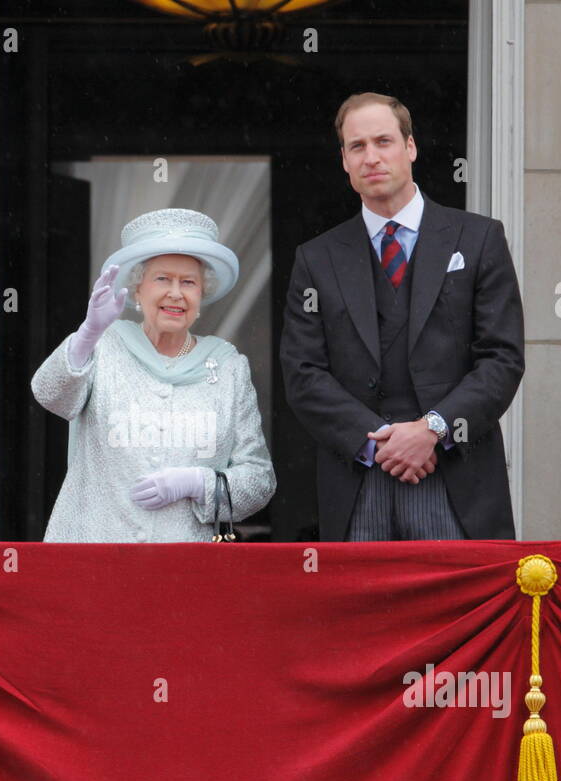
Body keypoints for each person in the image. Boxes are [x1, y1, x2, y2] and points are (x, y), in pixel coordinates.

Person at [280, 93, 525, 541]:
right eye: (357, 146)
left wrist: (432, 429)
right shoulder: (316, 258)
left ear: (410, 147)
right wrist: (379, 441)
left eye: (383, 141)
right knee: (362, 611)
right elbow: (303, 373)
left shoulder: (479, 239)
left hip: (456, 478)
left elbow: (501, 359)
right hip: (359, 479)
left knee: (462, 610)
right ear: (344, 161)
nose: (371, 157)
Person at [31, 208, 275, 542]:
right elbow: (49, 394)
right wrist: (87, 333)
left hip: (183, 569)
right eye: (162, 279)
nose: (176, 293)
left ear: (201, 294)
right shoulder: (104, 348)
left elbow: (259, 479)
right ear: (137, 290)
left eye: (188, 282)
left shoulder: (228, 366)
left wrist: (197, 483)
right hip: (95, 558)